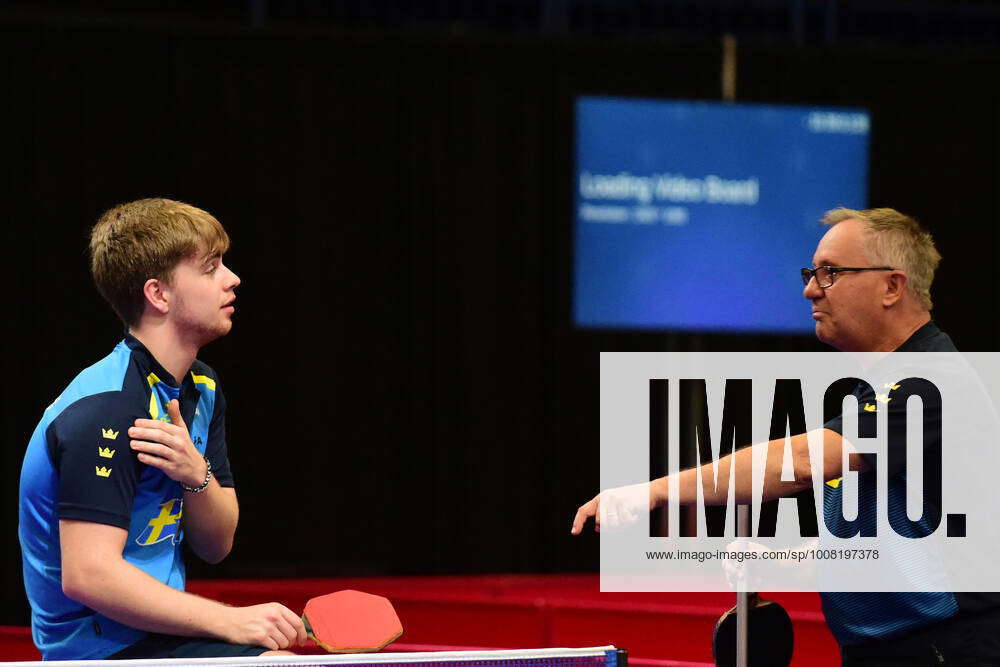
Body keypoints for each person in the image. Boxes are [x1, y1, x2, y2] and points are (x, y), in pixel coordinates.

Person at [572, 207, 1000, 664]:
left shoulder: (929, 380)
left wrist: (655, 492)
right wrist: (785, 557)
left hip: (948, 649)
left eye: (830, 273)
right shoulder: (876, 389)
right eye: (812, 273)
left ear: (892, 286)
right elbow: (893, 543)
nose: (810, 289)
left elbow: (800, 463)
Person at [18, 198, 306, 660]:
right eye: (211, 267)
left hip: (160, 632)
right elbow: (89, 575)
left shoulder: (202, 388)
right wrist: (230, 619)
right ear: (159, 294)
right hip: (97, 650)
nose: (232, 279)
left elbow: (216, 546)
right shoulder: (105, 410)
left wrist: (198, 476)